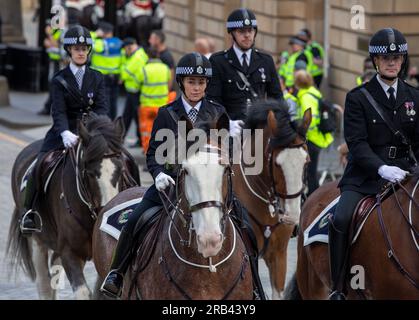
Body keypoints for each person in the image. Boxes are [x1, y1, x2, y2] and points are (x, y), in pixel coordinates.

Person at [100, 52, 228, 298]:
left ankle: (254, 283)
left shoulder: (217, 112)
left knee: (243, 221)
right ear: (181, 83)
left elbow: (227, 149)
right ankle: (116, 272)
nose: (196, 87)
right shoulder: (167, 113)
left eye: (201, 83)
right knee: (136, 219)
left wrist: (225, 157)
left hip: (208, 186)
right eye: (192, 82)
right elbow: (154, 153)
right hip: (171, 184)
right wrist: (158, 173)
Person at [328, 28, 419, 300]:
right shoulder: (358, 97)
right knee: (341, 218)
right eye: (386, 58)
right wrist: (381, 168)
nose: (392, 62)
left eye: (397, 58)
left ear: (403, 61)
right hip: (366, 176)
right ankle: (338, 286)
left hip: (406, 173)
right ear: (376, 62)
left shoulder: (414, 96)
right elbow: (356, 143)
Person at [20, 25, 109, 235]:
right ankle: (29, 211)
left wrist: (89, 131)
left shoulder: (97, 77)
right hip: (64, 132)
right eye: (76, 48)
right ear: (69, 51)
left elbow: (102, 109)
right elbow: (57, 111)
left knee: (116, 162)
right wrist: (65, 133)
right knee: (39, 164)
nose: (81, 52)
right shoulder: (59, 79)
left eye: (84, 48)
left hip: (90, 132)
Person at [206, 8, 282, 120]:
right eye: (241, 31)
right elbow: (213, 100)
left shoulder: (266, 60)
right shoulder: (218, 61)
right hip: (231, 127)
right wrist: (228, 124)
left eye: (250, 30)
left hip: (260, 127)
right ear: (232, 34)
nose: (247, 35)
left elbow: (277, 98)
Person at [294, 69, 333, 195]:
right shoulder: (313, 93)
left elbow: (310, 119)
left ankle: (313, 196)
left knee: (310, 171)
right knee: (310, 170)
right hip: (317, 137)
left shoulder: (305, 97)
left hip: (312, 139)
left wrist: (302, 133)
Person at [135, 47, 171, 153]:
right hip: (162, 105)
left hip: (147, 105)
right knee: (161, 130)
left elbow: (136, 84)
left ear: (148, 56)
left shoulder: (144, 69)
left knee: (147, 131)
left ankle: (148, 152)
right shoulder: (166, 68)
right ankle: (161, 152)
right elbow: (169, 83)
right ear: (158, 55)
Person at [120, 37, 148, 147]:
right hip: (132, 91)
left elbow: (125, 74)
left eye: (126, 49)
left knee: (135, 117)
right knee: (128, 116)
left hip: (135, 92)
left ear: (129, 47)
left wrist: (123, 69)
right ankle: (121, 138)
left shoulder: (137, 57)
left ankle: (139, 140)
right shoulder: (135, 54)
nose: (124, 52)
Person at [91, 21, 123, 120]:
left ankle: (106, 124)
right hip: (115, 77)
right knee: (113, 103)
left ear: (102, 31)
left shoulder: (101, 43)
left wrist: (95, 34)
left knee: (104, 103)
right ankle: (112, 124)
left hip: (102, 78)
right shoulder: (119, 42)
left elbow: (85, 40)